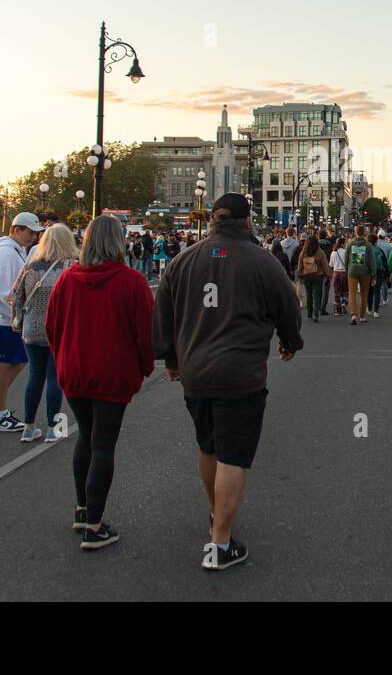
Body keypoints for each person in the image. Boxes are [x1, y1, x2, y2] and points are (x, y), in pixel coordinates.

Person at [152, 194, 303, 571]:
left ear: (214, 220)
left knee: (209, 446)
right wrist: (290, 342)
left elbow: (164, 314)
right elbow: (288, 308)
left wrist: (171, 358)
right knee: (233, 454)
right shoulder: (263, 261)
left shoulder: (182, 260)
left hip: (196, 371)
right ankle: (219, 544)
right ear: (247, 222)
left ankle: (216, 512)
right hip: (241, 373)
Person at [45, 215, 154, 550]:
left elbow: (52, 327)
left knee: (86, 438)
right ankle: (95, 524)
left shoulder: (67, 280)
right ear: (118, 242)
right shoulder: (132, 281)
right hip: (112, 372)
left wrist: (64, 357)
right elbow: (145, 333)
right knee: (103, 445)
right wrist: (145, 366)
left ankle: (82, 509)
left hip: (75, 371)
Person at [10, 223, 78, 443]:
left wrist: (17, 320)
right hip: (59, 329)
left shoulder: (30, 267)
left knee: (34, 376)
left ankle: (28, 426)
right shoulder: (70, 267)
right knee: (55, 378)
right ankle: (53, 427)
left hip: (32, 328)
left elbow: (15, 296)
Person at [0, 212, 43, 432]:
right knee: (4, 364)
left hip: (7, 317)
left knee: (17, 360)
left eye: (35, 233)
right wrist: (19, 312)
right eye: (30, 232)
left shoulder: (12, 250)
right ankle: (0, 414)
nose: (33, 237)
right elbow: (5, 289)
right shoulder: (6, 253)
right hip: (5, 318)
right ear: (16, 230)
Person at [343, 226, 375, 325]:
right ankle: (362, 316)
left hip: (352, 271)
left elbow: (346, 258)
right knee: (364, 294)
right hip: (365, 272)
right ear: (364, 233)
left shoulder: (350, 243)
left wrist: (347, 269)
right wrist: (373, 274)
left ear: (356, 232)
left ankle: (353, 314)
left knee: (352, 293)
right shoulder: (368, 245)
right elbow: (372, 261)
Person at [297, 234, 329, 323]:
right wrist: (327, 275)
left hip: (306, 275)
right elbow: (325, 265)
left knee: (308, 294)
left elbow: (300, 265)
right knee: (317, 294)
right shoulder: (320, 252)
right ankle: (316, 313)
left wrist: (300, 275)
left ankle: (309, 313)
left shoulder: (303, 252)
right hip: (318, 276)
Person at [366, 232, 389, 318]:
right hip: (379, 272)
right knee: (377, 291)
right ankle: (376, 312)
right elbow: (385, 263)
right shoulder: (379, 250)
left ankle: (369, 309)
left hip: (368, 272)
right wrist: (387, 274)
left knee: (369, 291)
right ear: (376, 241)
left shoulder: (365, 249)